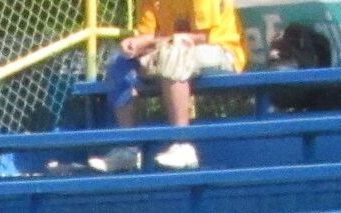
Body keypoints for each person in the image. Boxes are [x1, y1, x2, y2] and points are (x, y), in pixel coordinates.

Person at [94, 0, 247, 173]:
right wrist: (135, 43)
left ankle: (182, 145)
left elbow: (204, 36)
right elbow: (149, 33)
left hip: (221, 50)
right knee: (121, 62)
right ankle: (128, 148)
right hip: (171, 47)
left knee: (173, 52)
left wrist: (158, 45)